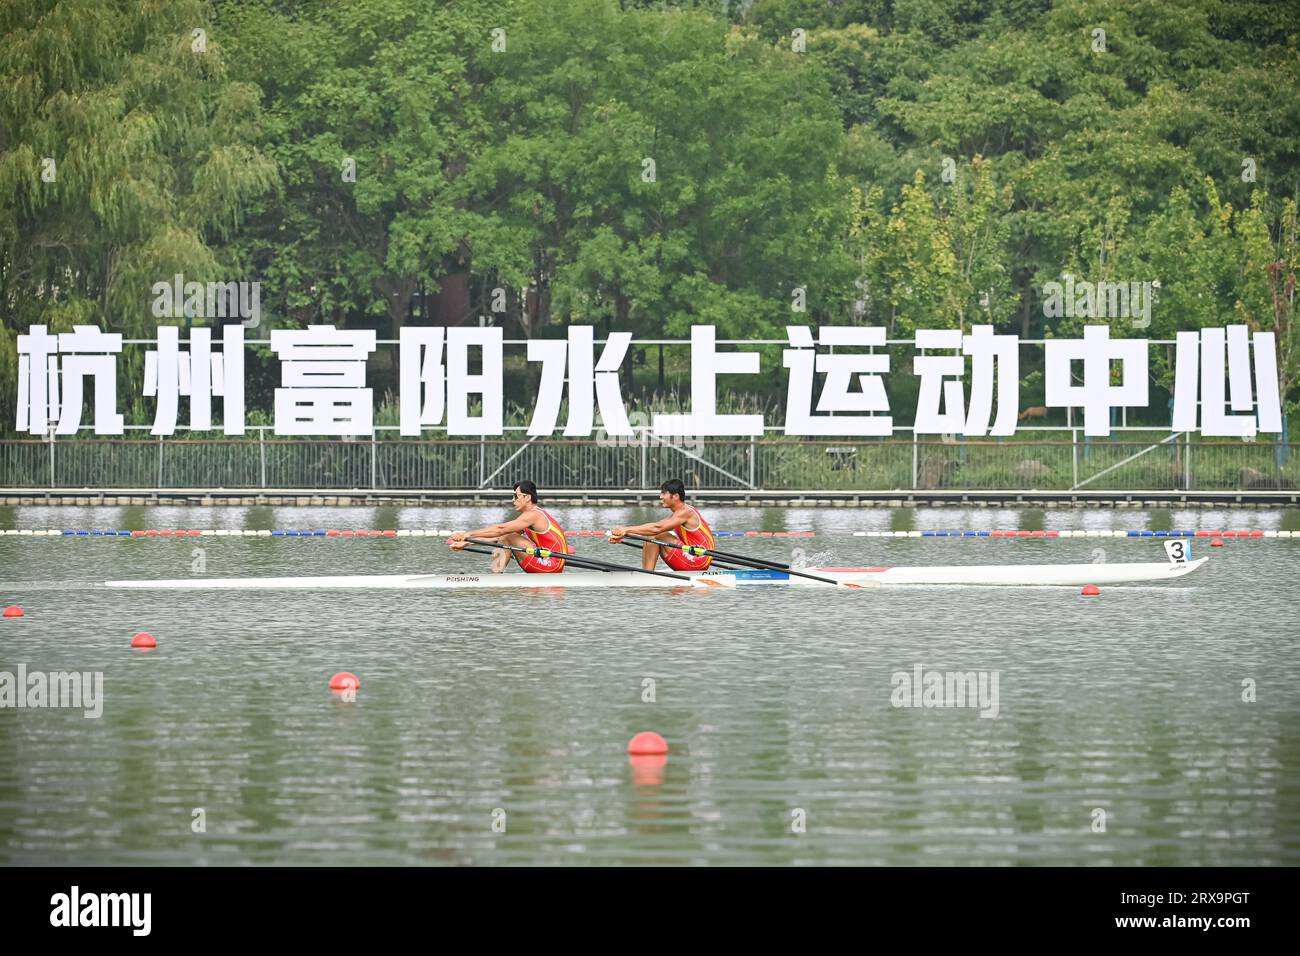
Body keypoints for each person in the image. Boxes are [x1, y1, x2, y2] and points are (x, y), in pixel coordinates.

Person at [448, 480, 571, 573]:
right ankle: (496, 575)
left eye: (516, 496)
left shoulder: (533, 515)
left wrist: (467, 534)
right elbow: (499, 539)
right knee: (507, 537)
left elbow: (500, 529)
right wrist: (468, 543)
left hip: (551, 564)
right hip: (548, 562)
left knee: (508, 536)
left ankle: (495, 578)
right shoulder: (529, 517)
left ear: (527, 497)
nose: (513, 500)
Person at [609, 478, 714, 572]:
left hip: (699, 560)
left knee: (654, 535)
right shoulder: (679, 513)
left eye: (664, 493)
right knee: (655, 534)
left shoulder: (686, 512)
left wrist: (625, 529)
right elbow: (656, 526)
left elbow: (656, 529)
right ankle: (647, 573)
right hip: (694, 556)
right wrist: (624, 536)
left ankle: (647, 575)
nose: (660, 497)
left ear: (676, 496)